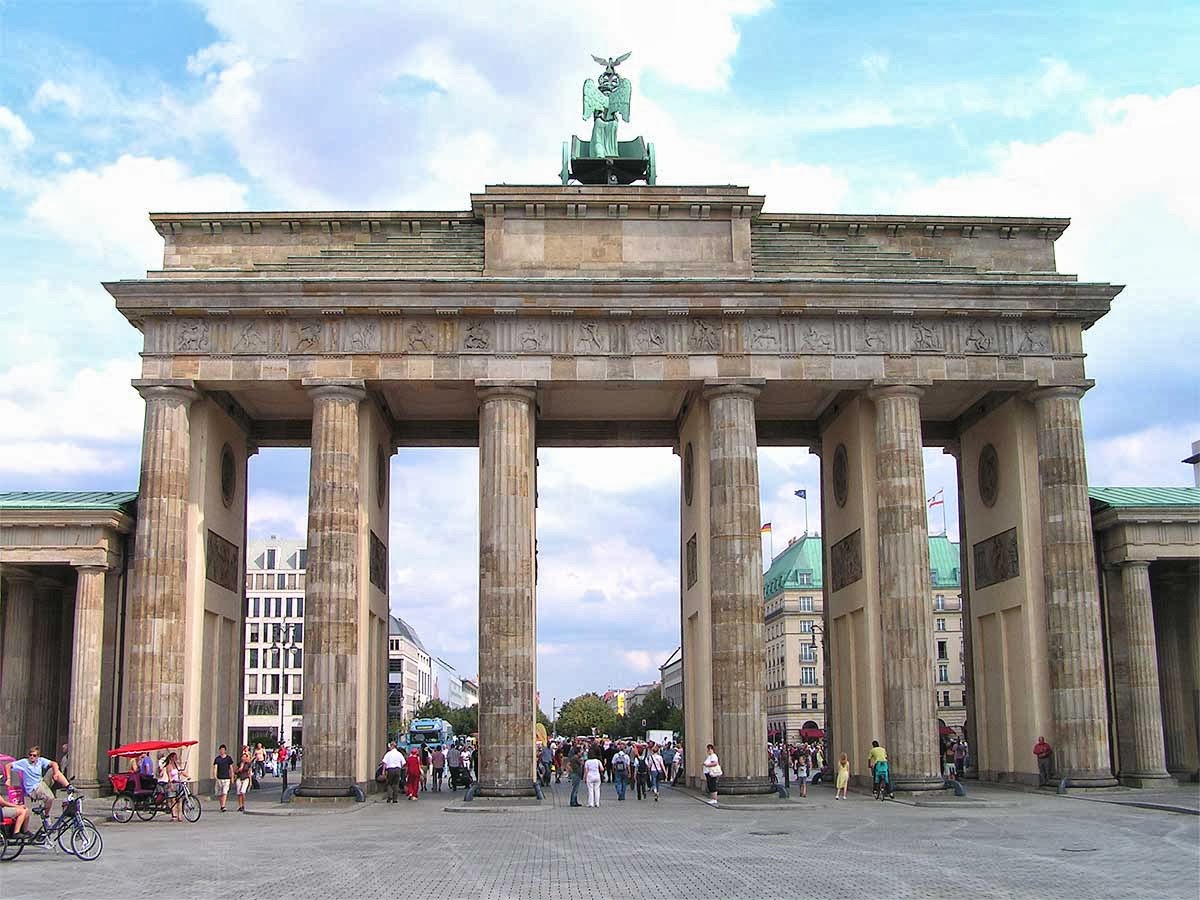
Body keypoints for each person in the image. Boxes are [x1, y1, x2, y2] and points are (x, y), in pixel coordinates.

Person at [7, 746, 69, 822]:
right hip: (33, 789)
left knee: (53, 769)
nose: (32, 757)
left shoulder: (41, 761)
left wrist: (55, 773)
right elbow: (8, 765)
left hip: (41, 783)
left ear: (38, 757)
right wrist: (8, 779)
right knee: (50, 798)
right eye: (30, 755)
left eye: (34, 755)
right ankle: (46, 816)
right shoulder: (24, 762)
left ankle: (68, 786)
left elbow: (54, 763)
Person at [160, 751, 187, 821]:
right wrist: (170, 784)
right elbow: (169, 776)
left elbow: (181, 772)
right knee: (173, 800)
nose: (176, 758)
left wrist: (187, 776)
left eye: (176, 757)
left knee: (179, 800)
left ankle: (180, 816)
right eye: (175, 757)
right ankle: (173, 815)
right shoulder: (169, 766)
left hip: (179, 783)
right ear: (171, 758)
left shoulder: (177, 765)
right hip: (172, 783)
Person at [212, 744, 235, 812]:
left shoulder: (228, 758)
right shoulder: (217, 759)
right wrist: (215, 776)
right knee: (219, 793)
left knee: (225, 792)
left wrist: (232, 777)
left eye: (223, 750)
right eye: (221, 750)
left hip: (226, 778)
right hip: (219, 778)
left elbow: (231, 768)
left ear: (225, 751)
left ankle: (223, 806)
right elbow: (215, 767)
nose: (222, 751)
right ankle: (221, 804)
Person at [234, 746, 253, 812]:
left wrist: (250, 782)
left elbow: (249, 773)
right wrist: (239, 769)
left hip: (245, 778)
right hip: (239, 778)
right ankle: (240, 806)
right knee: (239, 793)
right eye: (243, 757)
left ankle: (243, 804)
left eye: (245, 757)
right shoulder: (239, 764)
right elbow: (235, 771)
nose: (244, 758)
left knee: (242, 792)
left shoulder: (248, 764)